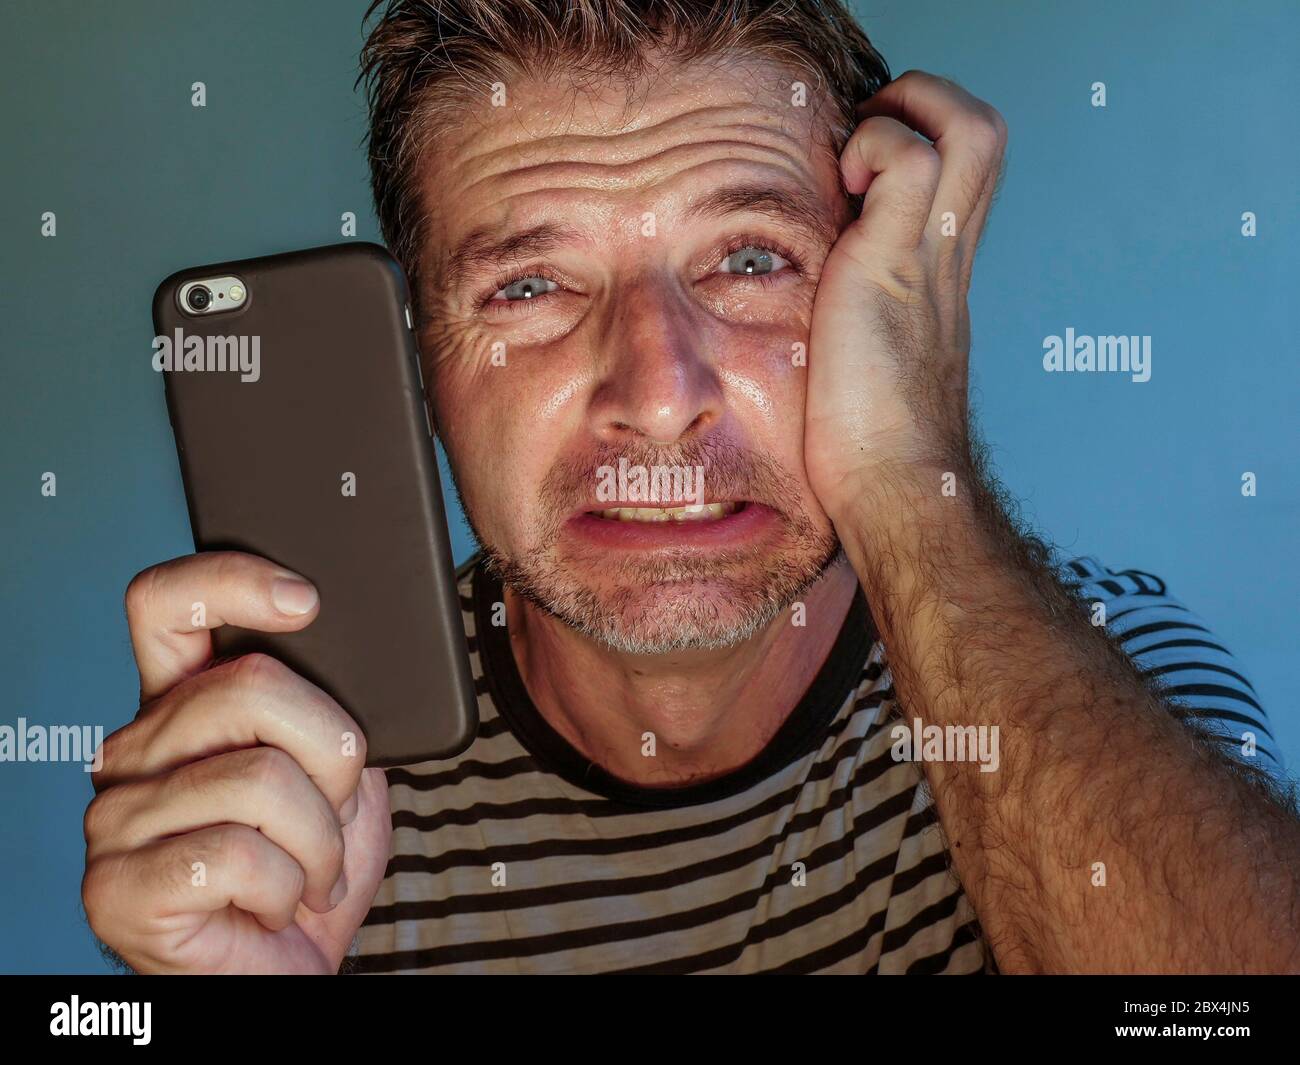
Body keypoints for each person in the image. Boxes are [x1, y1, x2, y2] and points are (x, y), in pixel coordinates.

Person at [83, 0, 1297, 974]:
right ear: (421, 372)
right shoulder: (291, 795)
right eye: (529, 287)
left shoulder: (1114, 678)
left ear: (890, 306)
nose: (657, 393)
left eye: (751, 259)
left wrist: (905, 471)